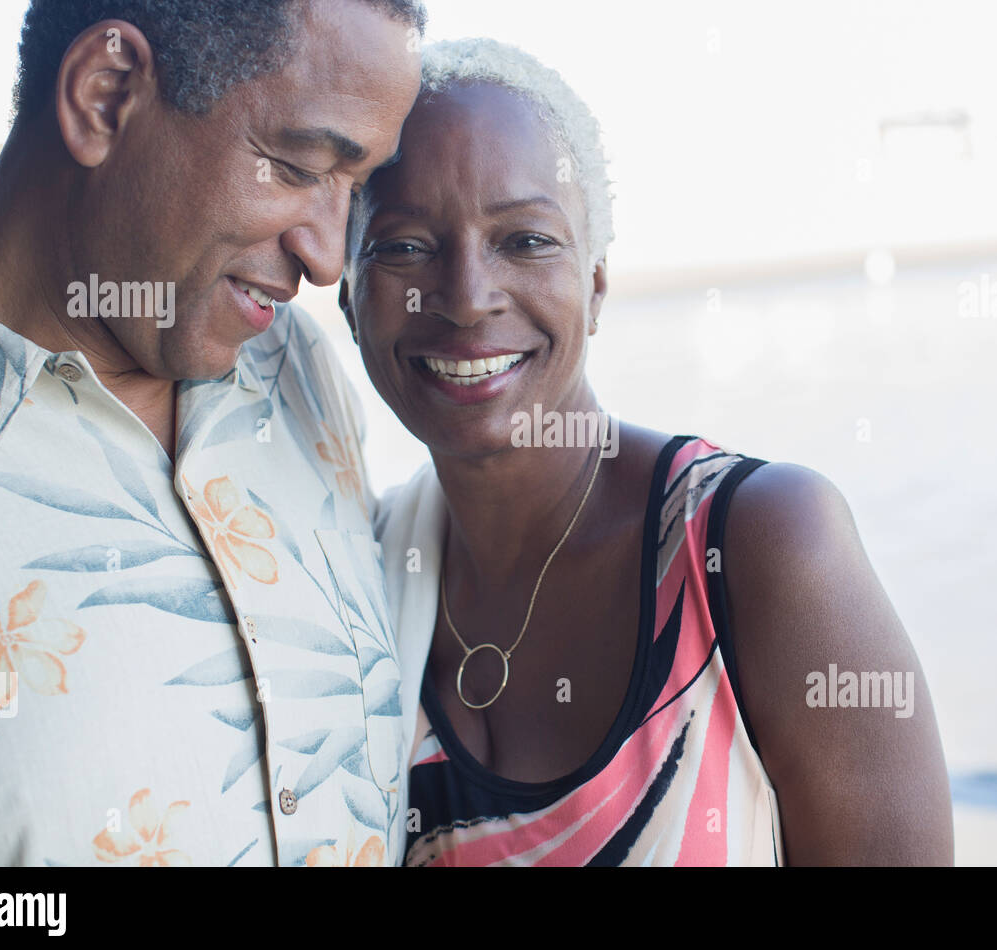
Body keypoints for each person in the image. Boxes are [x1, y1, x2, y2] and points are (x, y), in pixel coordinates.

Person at [344, 38, 954, 865]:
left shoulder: (756, 544)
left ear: (595, 284)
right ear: (348, 296)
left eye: (524, 240)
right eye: (405, 246)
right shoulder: (357, 582)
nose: (467, 297)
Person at [0, 0, 425, 867]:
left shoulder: (296, 372)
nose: (330, 256)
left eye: (360, 184)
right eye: (298, 165)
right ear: (105, 96)